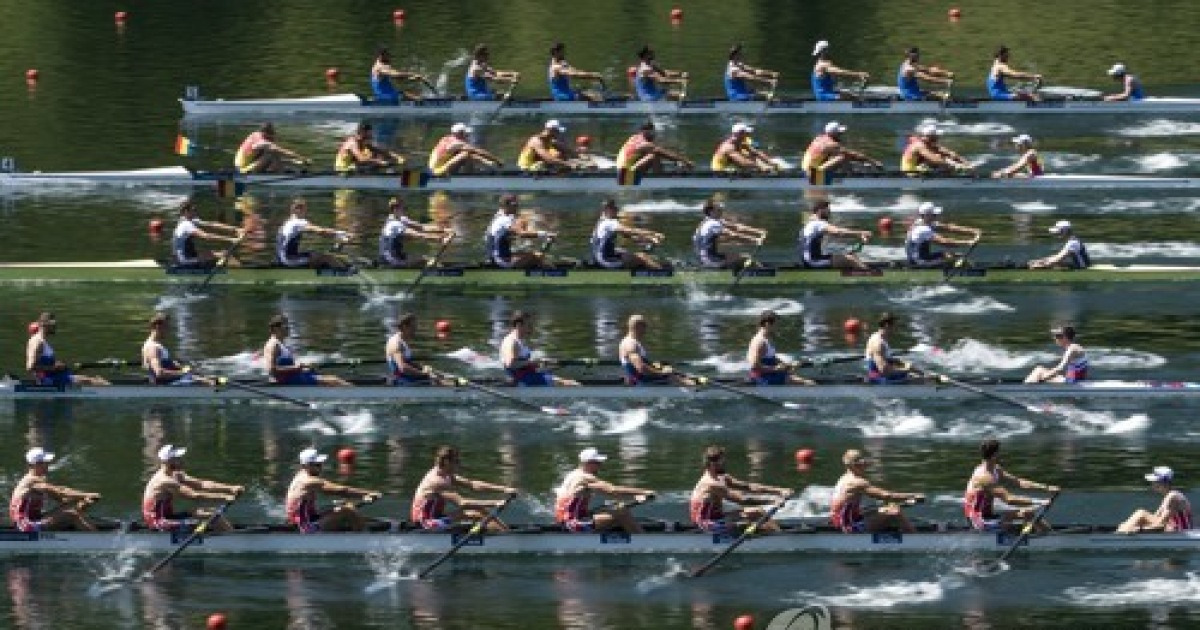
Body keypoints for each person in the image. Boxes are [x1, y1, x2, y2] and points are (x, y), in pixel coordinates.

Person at [411, 445, 517, 531]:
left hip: (436, 516)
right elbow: (462, 503)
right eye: (456, 461)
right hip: (425, 523)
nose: (459, 464)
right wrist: (495, 503)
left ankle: (505, 532)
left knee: (480, 510)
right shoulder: (437, 481)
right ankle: (507, 538)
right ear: (447, 462)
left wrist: (504, 489)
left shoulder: (445, 474)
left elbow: (473, 484)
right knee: (477, 513)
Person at [964, 438, 1059, 532]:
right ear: (994, 455)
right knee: (1027, 513)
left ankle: (1049, 535)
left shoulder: (995, 469)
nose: (1001, 454)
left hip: (989, 517)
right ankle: (1049, 537)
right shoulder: (984, 477)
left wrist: (1046, 488)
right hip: (979, 522)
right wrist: (1040, 502)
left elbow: (1018, 482)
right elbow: (1009, 499)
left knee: (1028, 513)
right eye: (999, 452)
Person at [691, 445, 791, 533]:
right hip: (706, 523)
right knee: (745, 525)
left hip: (717, 517)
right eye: (722, 461)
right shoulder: (711, 484)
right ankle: (778, 539)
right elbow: (743, 500)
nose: (725, 463)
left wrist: (779, 490)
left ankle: (778, 534)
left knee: (758, 512)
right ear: (713, 464)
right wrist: (773, 501)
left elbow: (749, 486)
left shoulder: (722, 477)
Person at [142, 444, 242, 532]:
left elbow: (202, 484)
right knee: (204, 521)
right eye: (178, 458)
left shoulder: (176, 474)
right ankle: (233, 539)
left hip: (169, 517)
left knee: (209, 513)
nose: (182, 461)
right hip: (158, 522)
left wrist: (231, 488)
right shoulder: (164, 480)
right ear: (169, 461)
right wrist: (224, 497)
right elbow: (194, 495)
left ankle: (231, 534)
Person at [555, 447, 655, 533]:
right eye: (598, 463)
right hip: (573, 524)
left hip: (564, 521)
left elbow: (611, 494)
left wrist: (634, 497)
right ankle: (642, 540)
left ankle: (628, 533)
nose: (600, 465)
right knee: (622, 512)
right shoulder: (585, 478)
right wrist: (644, 492)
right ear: (589, 463)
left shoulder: (573, 474)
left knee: (615, 506)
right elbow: (613, 490)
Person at [286, 447, 382, 532]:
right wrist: (369, 493)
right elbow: (342, 490)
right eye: (317, 465)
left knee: (341, 507)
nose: (321, 468)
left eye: (321, 464)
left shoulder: (300, 476)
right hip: (306, 527)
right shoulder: (308, 481)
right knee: (347, 511)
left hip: (303, 520)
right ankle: (365, 539)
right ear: (305, 466)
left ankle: (377, 525)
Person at [830, 449, 925, 533]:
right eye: (863, 461)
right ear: (856, 465)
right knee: (894, 511)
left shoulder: (843, 479)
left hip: (840, 520)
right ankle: (916, 540)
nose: (866, 464)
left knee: (886, 508)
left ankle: (902, 532)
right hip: (849, 526)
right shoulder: (857, 482)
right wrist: (914, 495)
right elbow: (887, 496)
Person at [9, 447, 101, 532]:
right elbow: (61, 491)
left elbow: (63, 500)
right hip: (24, 526)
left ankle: (93, 534)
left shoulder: (40, 481)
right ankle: (100, 540)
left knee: (70, 509)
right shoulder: (31, 480)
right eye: (46, 463)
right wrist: (87, 494)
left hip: (34, 520)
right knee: (72, 515)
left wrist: (83, 503)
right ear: (37, 464)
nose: (48, 465)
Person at [262, 315, 352, 386]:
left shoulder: (280, 344)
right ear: (276, 329)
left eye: (288, 325)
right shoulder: (272, 345)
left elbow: (289, 366)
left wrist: (304, 367)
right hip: (286, 381)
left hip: (292, 378)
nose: (289, 328)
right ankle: (355, 393)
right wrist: (296, 368)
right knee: (335, 380)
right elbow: (271, 370)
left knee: (329, 377)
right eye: (285, 326)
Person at [25, 312, 109, 387]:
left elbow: (43, 363)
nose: (55, 327)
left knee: (88, 378)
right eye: (53, 325)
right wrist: (54, 368)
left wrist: (58, 366)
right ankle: (111, 390)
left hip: (53, 376)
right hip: (46, 381)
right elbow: (30, 367)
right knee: (91, 381)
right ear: (44, 325)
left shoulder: (42, 341)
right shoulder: (38, 342)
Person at [499, 311, 579, 387]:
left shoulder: (519, 340)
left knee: (553, 371)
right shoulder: (511, 342)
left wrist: (541, 362)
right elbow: (511, 364)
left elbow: (522, 361)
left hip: (526, 374)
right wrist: (532, 362)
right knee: (569, 383)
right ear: (519, 325)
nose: (532, 328)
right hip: (521, 379)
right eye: (529, 325)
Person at [485, 194, 556, 269]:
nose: (517, 207)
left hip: (496, 257)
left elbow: (517, 228)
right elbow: (522, 234)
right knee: (537, 257)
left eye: (517, 204)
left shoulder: (500, 215)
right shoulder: (504, 220)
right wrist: (546, 234)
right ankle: (555, 274)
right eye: (514, 205)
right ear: (506, 206)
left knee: (535, 255)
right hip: (501, 261)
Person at [276, 199, 352, 270]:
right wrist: (342, 233)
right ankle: (347, 274)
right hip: (289, 260)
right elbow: (321, 232)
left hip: (283, 258)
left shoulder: (287, 222)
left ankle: (332, 270)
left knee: (316, 254)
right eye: (304, 209)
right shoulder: (298, 222)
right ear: (297, 210)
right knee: (327, 258)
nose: (306, 212)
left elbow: (317, 232)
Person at [619, 315, 694, 386]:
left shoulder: (632, 341)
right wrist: (662, 373)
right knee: (674, 377)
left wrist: (660, 367)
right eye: (645, 327)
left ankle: (688, 378)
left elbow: (641, 364)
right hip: (641, 381)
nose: (646, 331)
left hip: (640, 378)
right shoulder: (630, 344)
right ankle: (697, 389)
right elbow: (641, 368)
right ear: (639, 327)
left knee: (671, 370)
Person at [591, 198, 665, 270]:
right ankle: (664, 273)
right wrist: (655, 234)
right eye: (615, 208)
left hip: (598, 257)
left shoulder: (601, 221)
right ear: (608, 210)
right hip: (606, 261)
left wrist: (649, 239)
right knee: (643, 257)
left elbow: (628, 235)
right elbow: (632, 231)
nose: (617, 210)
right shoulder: (609, 222)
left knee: (624, 251)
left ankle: (643, 264)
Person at [693, 199, 767, 269]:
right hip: (710, 259)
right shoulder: (713, 224)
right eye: (719, 210)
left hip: (702, 257)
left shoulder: (707, 221)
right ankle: (764, 272)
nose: (722, 211)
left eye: (721, 209)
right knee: (746, 257)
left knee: (738, 257)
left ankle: (750, 269)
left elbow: (738, 227)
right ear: (711, 212)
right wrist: (756, 240)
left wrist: (759, 232)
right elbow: (733, 235)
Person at [379, 198, 452, 268]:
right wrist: (441, 239)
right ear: (395, 210)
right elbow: (418, 235)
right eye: (402, 209)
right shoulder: (394, 224)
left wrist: (445, 230)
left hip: (397, 256)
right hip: (391, 260)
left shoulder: (401, 219)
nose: (404, 211)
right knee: (426, 260)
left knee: (426, 259)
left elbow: (422, 227)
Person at [1117, 466, 1192, 534]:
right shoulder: (1168, 496)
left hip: (1180, 532)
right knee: (1140, 516)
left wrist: (1139, 529)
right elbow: (1155, 518)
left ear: (1163, 483)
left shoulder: (1173, 497)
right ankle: (1121, 530)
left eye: (1154, 481)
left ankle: (1120, 533)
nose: (1152, 484)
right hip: (1171, 529)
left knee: (1141, 513)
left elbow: (1160, 524)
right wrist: (1135, 525)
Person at [747, 310, 814, 386]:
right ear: (767, 324)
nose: (777, 327)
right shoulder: (759, 342)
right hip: (762, 378)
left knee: (794, 373)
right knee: (808, 383)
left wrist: (788, 365)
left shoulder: (767, 339)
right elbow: (754, 366)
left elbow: (772, 358)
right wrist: (775, 368)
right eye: (776, 324)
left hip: (770, 374)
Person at [800, 199, 871, 270]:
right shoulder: (818, 223)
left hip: (811, 260)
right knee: (850, 258)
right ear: (820, 211)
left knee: (850, 255)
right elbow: (839, 232)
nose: (829, 212)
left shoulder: (810, 223)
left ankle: (863, 270)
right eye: (828, 210)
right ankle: (871, 274)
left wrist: (859, 240)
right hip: (813, 262)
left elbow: (839, 233)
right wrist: (860, 233)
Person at [904, 202, 981, 267]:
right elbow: (945, 242)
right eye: (934, 214)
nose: (936, 216)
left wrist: (974, 231)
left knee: (957, 256)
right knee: (954, 257)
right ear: (926, 215)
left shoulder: (923, 222)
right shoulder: (923, 229)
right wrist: (968, 242)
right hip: (919, 262)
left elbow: (950, 228)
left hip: (921, 257)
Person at [386, 313, 454, 386]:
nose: (415, 330)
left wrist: (423, 368)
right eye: (413, 327)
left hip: (407, 377)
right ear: (404, 327)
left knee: (440, 377)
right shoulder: (395, 343)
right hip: (401, 380)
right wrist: (424, 374)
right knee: (440, 382)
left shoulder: (403, 341)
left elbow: (408, 362)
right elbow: (403, 368)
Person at [172, 201, 243, 268]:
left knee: (220, 254)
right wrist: (231, 239)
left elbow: (211, 224)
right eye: (193, 210)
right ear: (186, 212)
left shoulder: (190, 220)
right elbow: (207, 236)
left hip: (188, 256)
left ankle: (235, 269)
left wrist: (235, 229)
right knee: (224, 254)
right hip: (185, 261)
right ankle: (240, 272)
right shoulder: (186, 224)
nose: (196, 212)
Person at [143, 312, 205, 386]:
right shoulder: (152, 347)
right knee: (206, 382)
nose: (169, 331)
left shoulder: (157, 345)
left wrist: (184, 368)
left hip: (170, 381)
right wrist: (183, 373)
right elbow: (159, 373)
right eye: (167, 327)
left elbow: (166, 363)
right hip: (164, 384)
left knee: (202, 377)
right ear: (158, 327)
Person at [801, 121, 883, 175]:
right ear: (834, 134)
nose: (841, 134)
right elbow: (853, 155)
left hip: (806, 168)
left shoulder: (819, 137)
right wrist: (874, 162)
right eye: (839, 133)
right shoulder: (831, 144)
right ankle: (851, 177)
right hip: (813, 174)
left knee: (841, 158)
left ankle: (849, 172)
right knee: (842, 157)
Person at [615, 122, 694, 174]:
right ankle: (659, 178)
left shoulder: (633, 137)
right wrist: (686, 161)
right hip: (625, 174)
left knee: (654, 154)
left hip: (621, 169)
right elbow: (661, 152)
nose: (654, 135)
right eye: (653, 132)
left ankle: (658, 174)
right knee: (655, 156)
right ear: (647, 132)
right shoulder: (644, 144)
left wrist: (676, 161)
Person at [428, 123, 503, 176]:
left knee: (465, 153)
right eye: (466, 133)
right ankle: (468, 175)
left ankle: (488, 164)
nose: (467, 135)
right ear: (459, 133)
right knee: (465, 154)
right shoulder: (457, 143)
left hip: (433, 167)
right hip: (437, 171)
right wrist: (497, 160)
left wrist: (487, 161)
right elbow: (480, 151)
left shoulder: (446, 138)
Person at [233, 123, 309, 174]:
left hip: (243, 166)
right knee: (273, 154)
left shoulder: (255, 134)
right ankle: (278, 173)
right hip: (243, 170)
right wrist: (303, 158)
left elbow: (276, 158)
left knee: (273, 155)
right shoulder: (262, 143)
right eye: (272, 134)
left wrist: (296, 162)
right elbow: (283, 152)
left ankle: (283, 171)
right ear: (266, 134)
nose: (274, 137)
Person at [334, 122, 404, 174]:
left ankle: (388, 177)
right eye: (369, 133)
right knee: (377, 162)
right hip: (342, 169)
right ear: (362, 133)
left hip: (351, 167)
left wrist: (397, 157)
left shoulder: (362, 141)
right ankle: (389, 179)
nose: (371, 135)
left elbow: (380, 151)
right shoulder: (352, 142)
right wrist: (378, 161)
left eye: (370, 133)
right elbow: (361, 159)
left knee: (381, 158)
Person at [901, 126, 972, 175]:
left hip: (919, 168)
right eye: (936, 136)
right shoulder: (919, 145)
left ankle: (956, 173)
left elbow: (950, 153)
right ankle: (953, 177)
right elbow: (934, 159)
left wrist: (966, 163)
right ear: (931, 137)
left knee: (945, 157)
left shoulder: (929, 143)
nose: (938, 137)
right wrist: (954, 165)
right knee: (940, 159)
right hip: (910, 172)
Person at [864, 312, 913, 384]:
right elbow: (883, 370)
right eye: (895, 326)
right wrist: (905, 369)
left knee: (917, 375)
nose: (896, 328)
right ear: (887, 325)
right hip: (879, 379)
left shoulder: (882, 339)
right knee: (915, 379)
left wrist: (903, 363)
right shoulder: (878, 343)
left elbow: (887, 360)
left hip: (884, 375)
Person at [711, 123, 777, 174]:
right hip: (720, 172)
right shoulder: (728, 147)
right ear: (740, 134)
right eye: (746, 133)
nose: (748, 135)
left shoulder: (740, 142)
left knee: (752, 157)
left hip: (730, 166)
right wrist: (761, 166)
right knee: (751, 162)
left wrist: (770, 162)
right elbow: (744, 162)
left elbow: (756, 152)